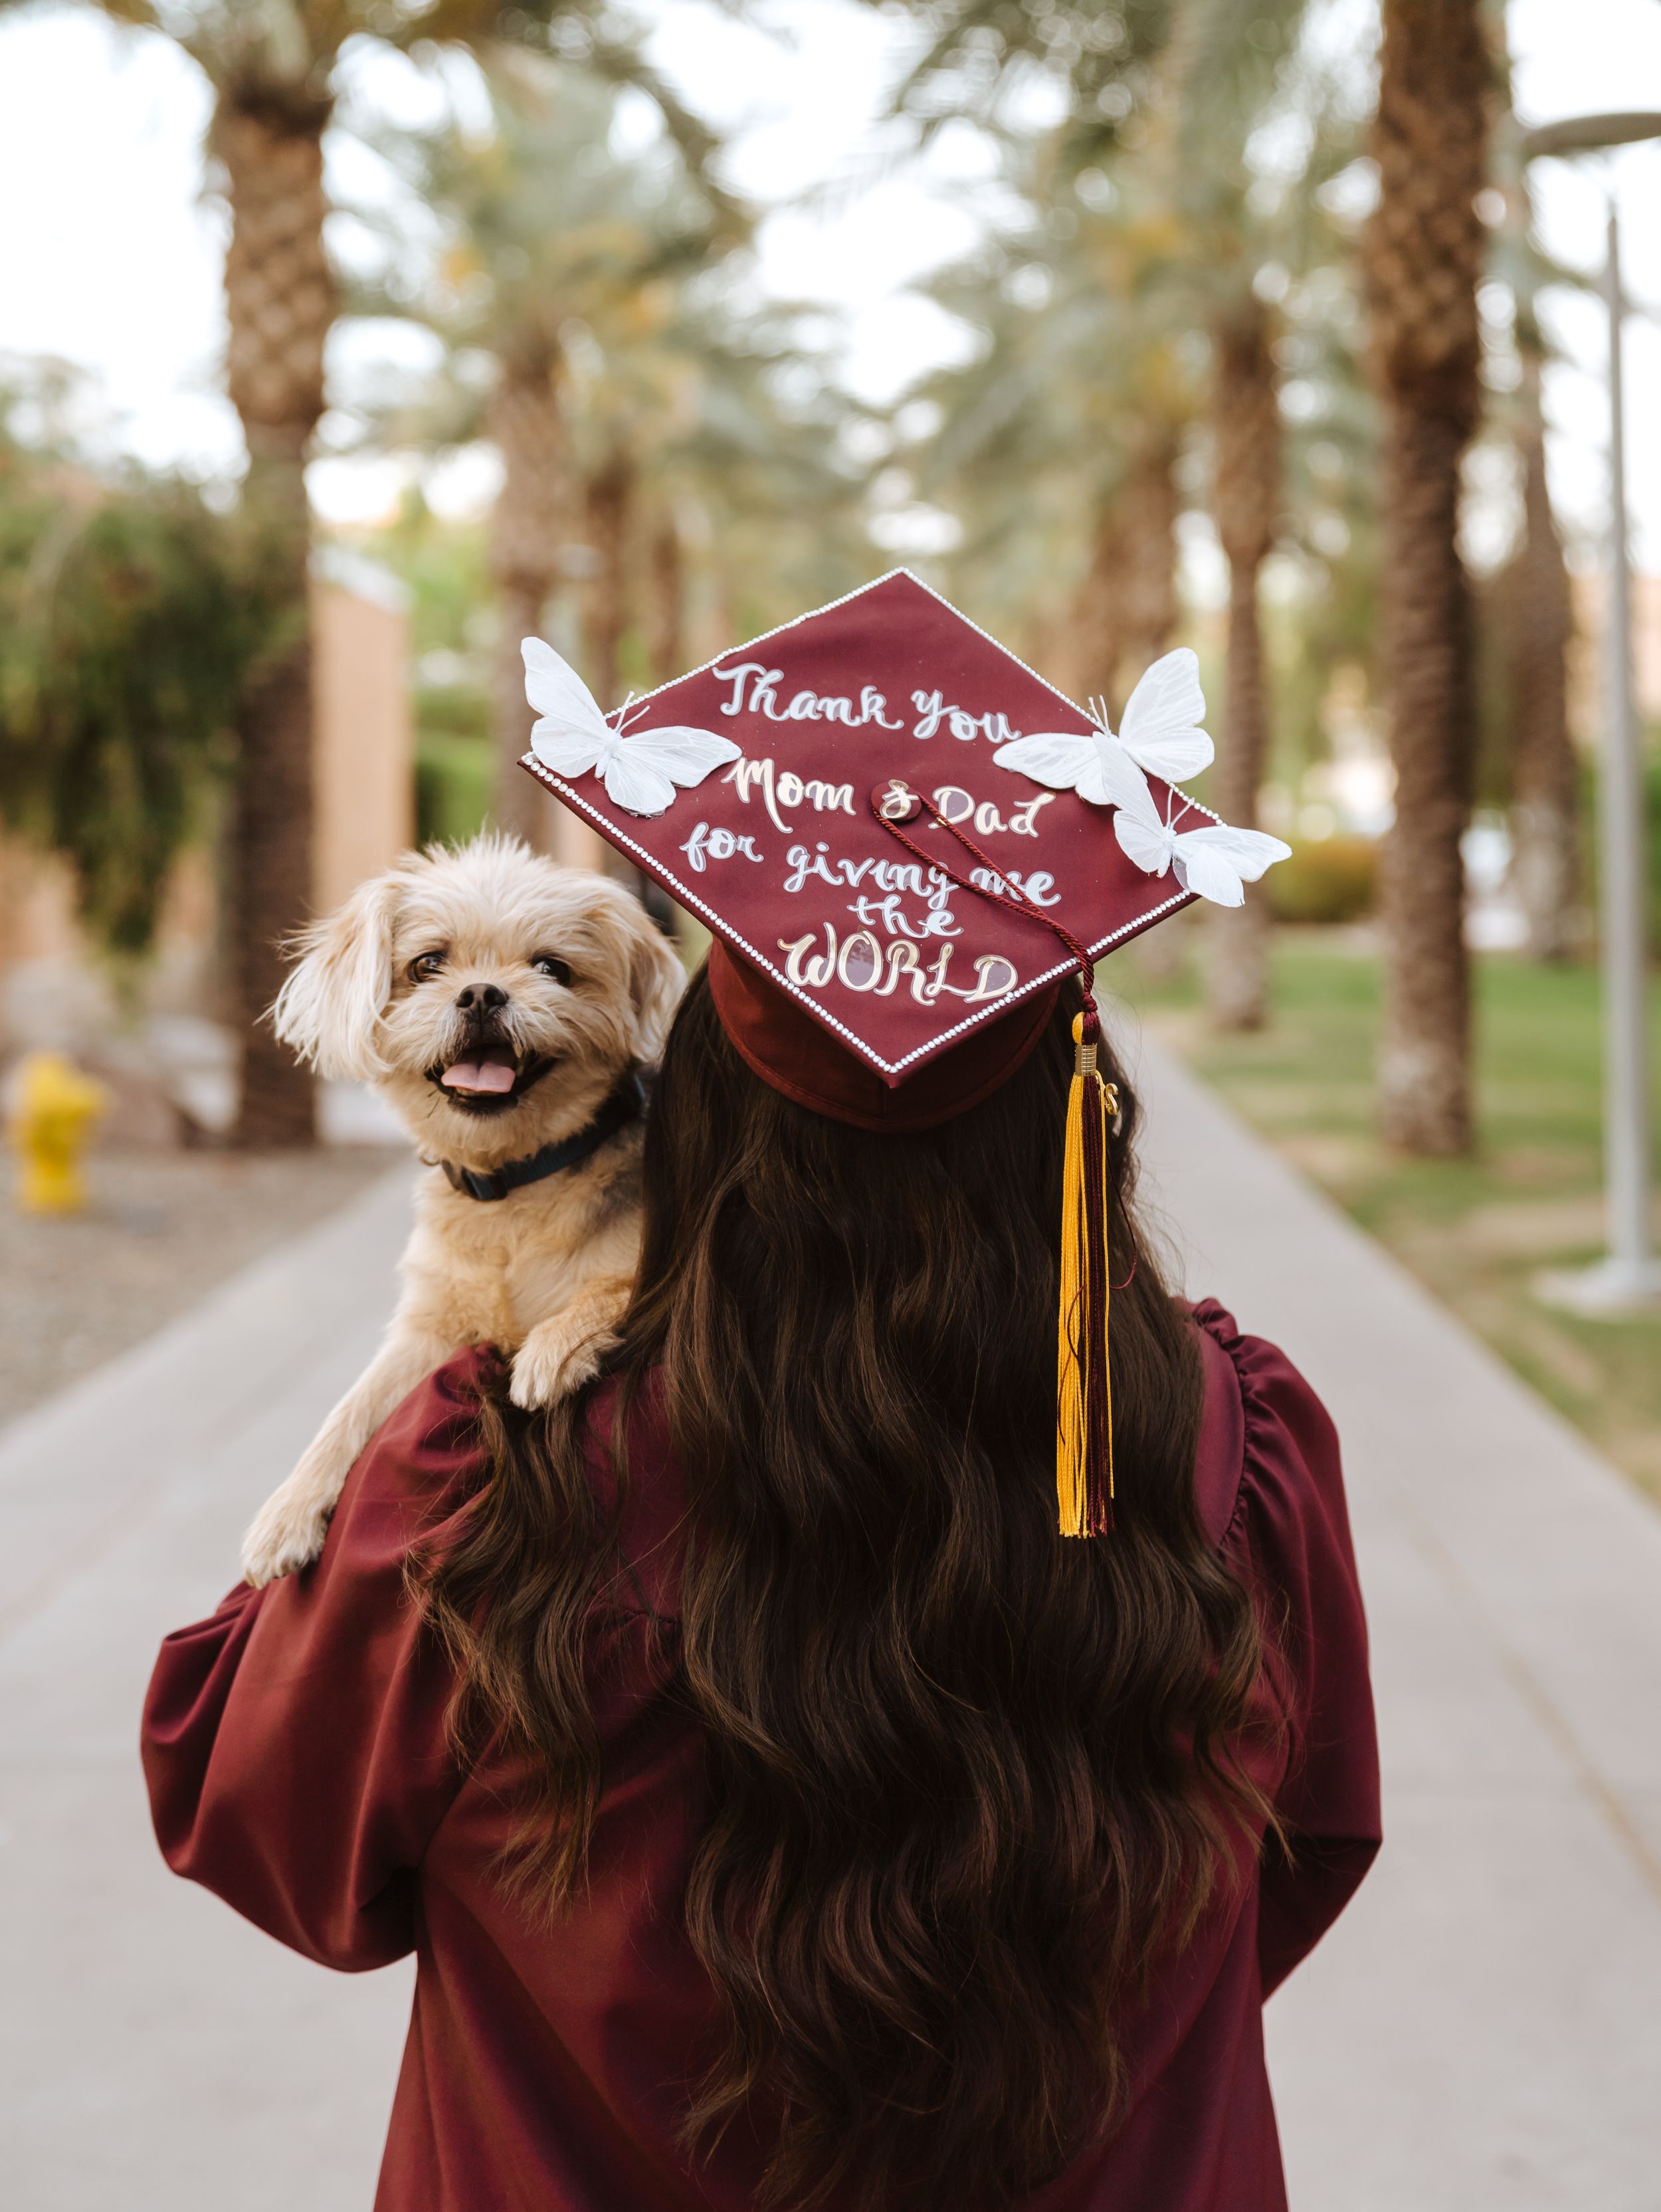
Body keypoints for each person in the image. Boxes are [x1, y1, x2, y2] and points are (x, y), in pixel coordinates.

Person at [143, 576, 1378, 2212]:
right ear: (1070, 1121)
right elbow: (1304, 1851)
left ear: (694, 1103)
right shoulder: (1215, 1443)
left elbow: (252, 1817)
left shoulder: (499, 1471)